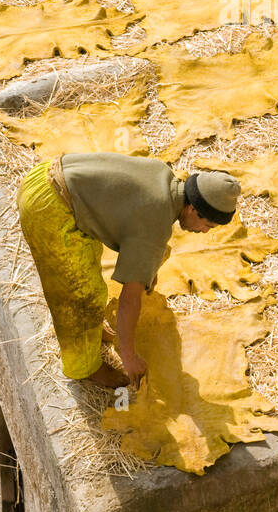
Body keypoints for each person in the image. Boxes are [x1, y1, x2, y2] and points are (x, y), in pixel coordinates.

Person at [17, 153, 240, 388]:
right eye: (207, 225)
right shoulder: (155, 222)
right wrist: (129, 357)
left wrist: (146, 269)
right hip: (49, 208)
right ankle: (84, 368)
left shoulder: (163, 176)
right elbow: (129, 300)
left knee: (90, 261)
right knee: (82, 295)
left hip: (44, 175)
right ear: (193, 209)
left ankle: (89, 332)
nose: (204, 232)